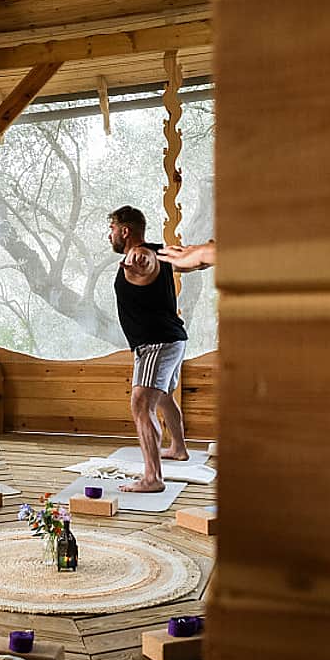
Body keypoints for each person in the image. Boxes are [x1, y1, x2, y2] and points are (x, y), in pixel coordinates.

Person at [109, 206, 190, 493]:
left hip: (157, 343)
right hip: (172, 339)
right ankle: (178, 448)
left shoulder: (142, 255)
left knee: (141, 405)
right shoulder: (159, 251)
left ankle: (152, 478)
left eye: (113, 229)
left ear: (125, 230)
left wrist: (140, 263)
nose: (111, 236)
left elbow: (145, 261)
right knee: (164, 396)